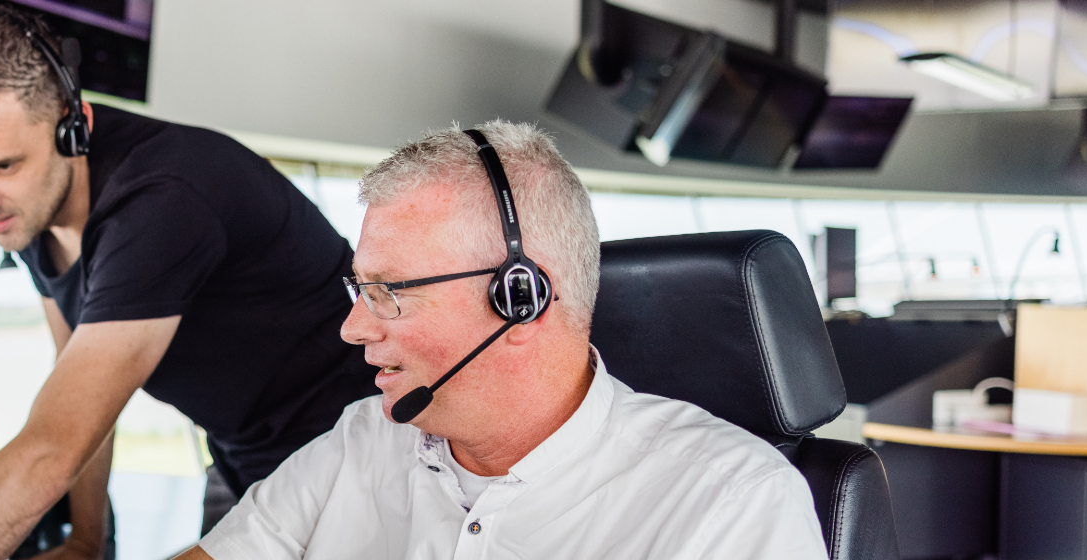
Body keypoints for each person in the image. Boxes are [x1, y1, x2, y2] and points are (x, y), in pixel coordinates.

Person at [180, 121, 828, 559]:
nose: (354, 327)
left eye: (390, 292)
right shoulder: (366, 439)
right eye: (361, 288)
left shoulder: (733, 503)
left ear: (520, 300)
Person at [0, 5, 377, 559]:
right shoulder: (31, 213)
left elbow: (49, 450)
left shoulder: (163, 197)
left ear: (72, 125)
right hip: (240, 452)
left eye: (2, 166)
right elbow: (78, 401)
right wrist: (85, 542)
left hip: (356, 449)